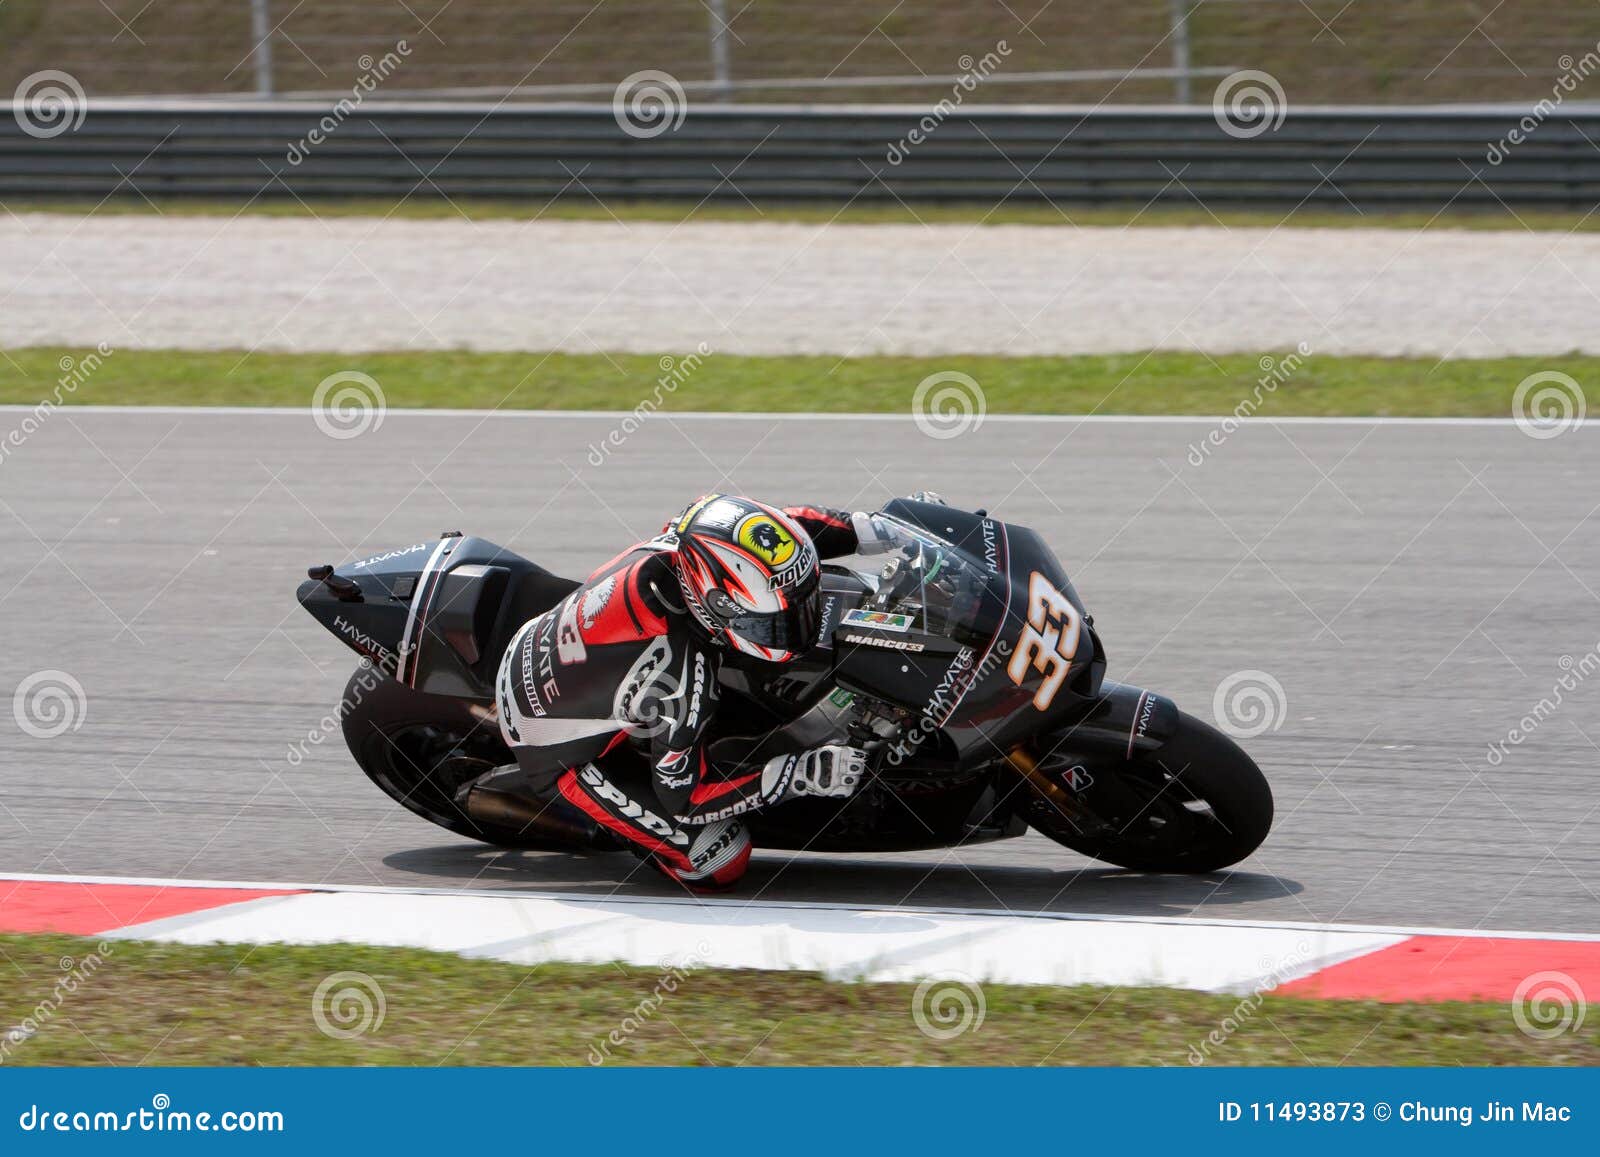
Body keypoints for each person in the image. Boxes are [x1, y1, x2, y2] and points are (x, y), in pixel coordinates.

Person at [491, 493, 909, 891]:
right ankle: (619, 829)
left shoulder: (695, 539)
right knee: (721, 859)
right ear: (715, 605)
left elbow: (781, 534)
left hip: (560, 651)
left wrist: (876, 528)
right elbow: (686, 799)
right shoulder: (678, 678)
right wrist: (796, 775)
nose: (795, 628)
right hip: (550, 743)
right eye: (769, 625)